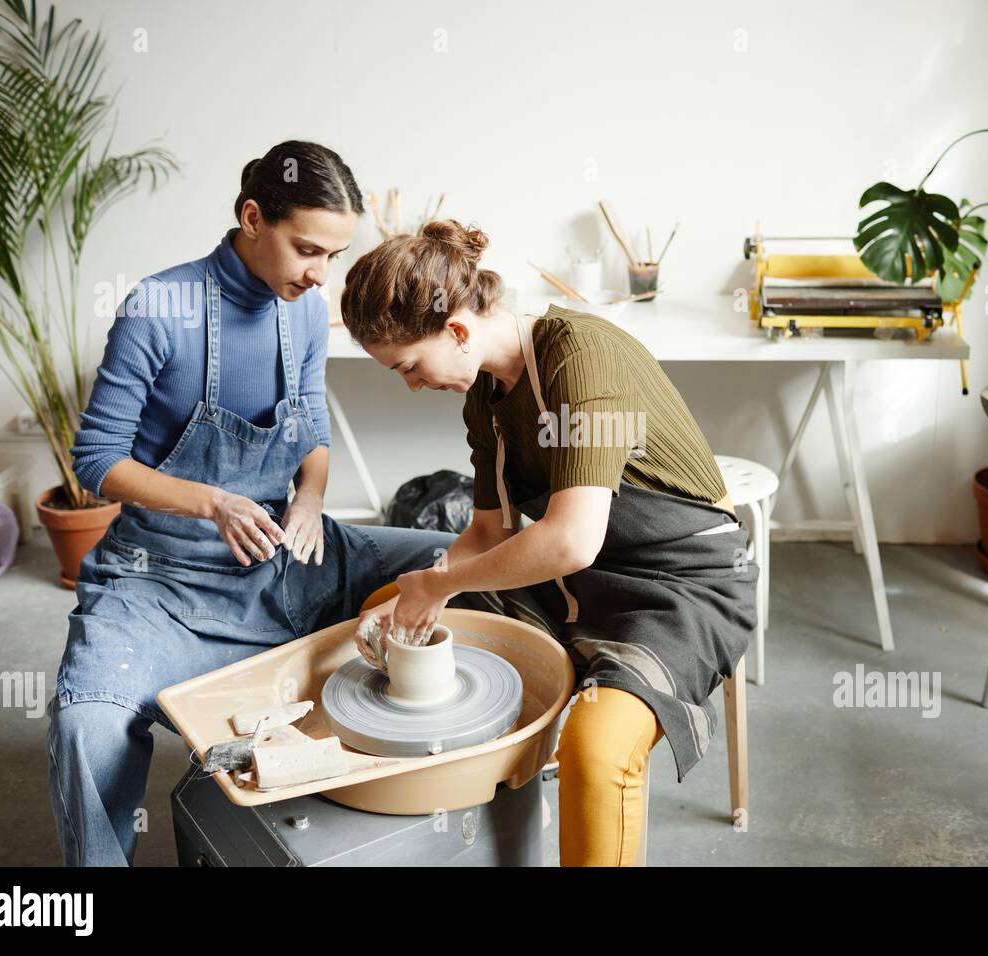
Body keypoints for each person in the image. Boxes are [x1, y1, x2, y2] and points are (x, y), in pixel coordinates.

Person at [47, 141, 456, 866]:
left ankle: (422, 791)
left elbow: (313, 429)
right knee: (87, 720)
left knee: (454, 561)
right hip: (163, 577)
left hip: (282, 553)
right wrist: (213, 503)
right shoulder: (158, 308)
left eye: (333, 255)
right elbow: (96, 460)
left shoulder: (301, 311)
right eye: (307, 249)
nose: (319, 273)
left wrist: (311, 497)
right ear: (251, 217)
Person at [340, 219, 759, 866]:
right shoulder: (484, 398)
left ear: (456, 331)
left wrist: (441, 585)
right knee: (384, 610)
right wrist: (420, 599)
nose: (412, 385)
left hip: (680, 582)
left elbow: (571, 540)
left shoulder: (582, 356)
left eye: (409, 367)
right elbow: (487, 534)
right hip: (571, 580)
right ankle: (463, 830)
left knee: (596, 747)